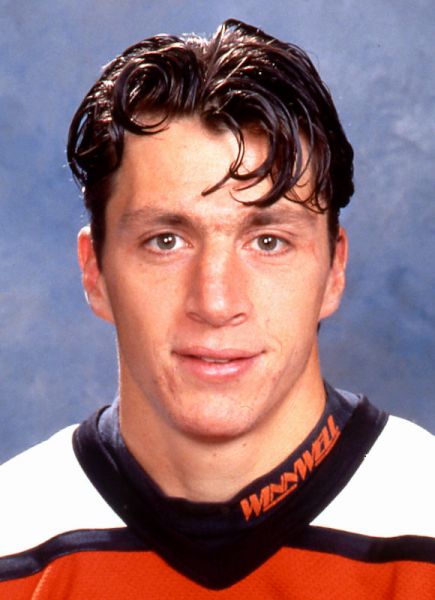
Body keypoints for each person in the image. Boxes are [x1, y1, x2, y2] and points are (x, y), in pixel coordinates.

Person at [0, 19, 433, 599]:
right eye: (166, 241)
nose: (216, 302)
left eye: (268, 241)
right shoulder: (13, 546)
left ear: (335, 269)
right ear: (94, 270)